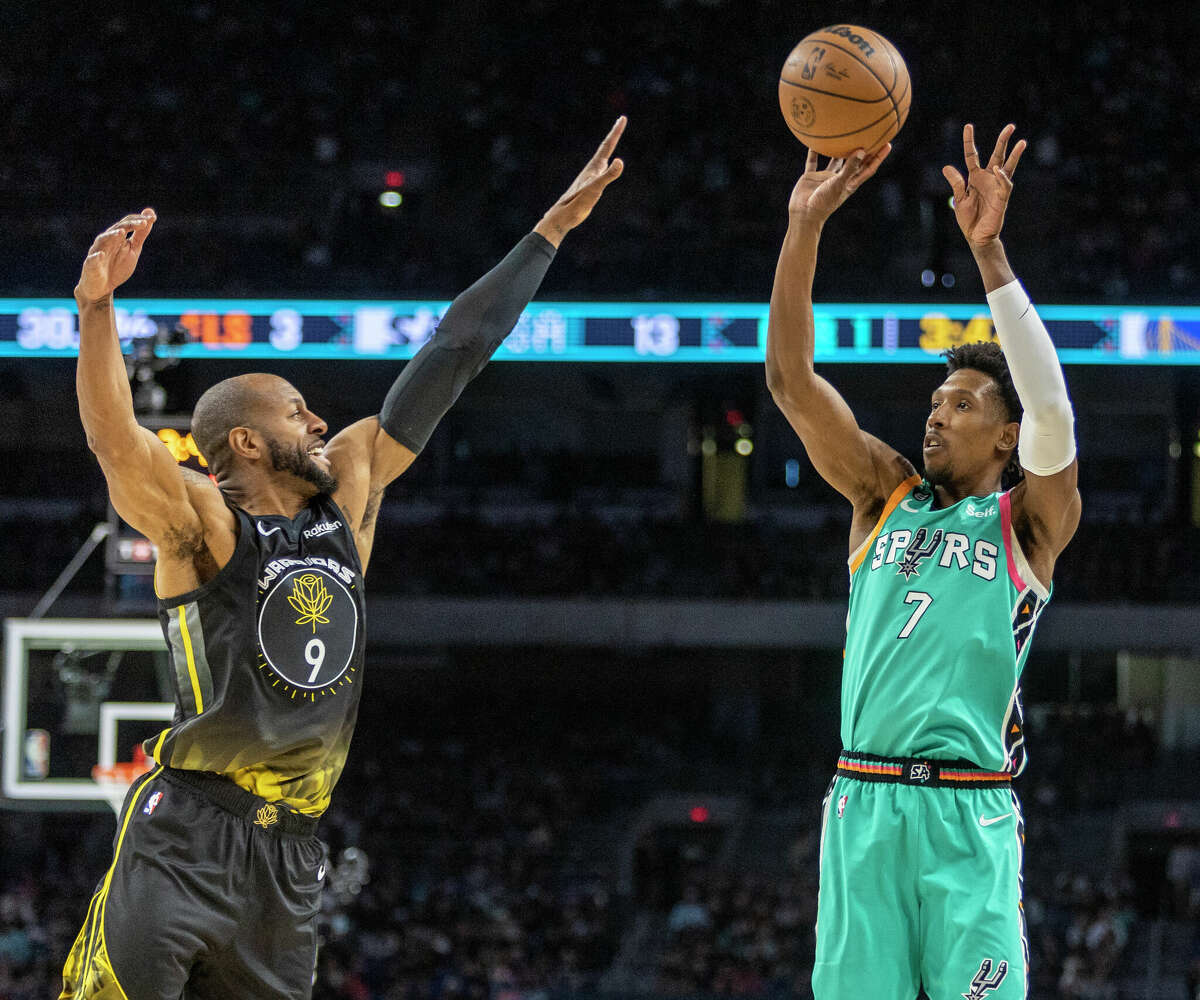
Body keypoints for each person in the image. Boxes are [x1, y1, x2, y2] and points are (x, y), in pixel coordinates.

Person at [61, 118, 626, 1000]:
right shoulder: (204, 522)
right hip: (185, 836)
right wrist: (96, 309)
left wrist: (548, 232)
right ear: (246, 441)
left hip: (290, 856)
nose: (321, 421)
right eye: (297, 412)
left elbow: (454, 351)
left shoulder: (352, 488)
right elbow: (114, 439)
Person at [765, 124, 1080, 999]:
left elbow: (1054, 412)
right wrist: (803, 227)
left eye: (963, 404)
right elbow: (790, 381)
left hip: (969, 813)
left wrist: (989, 254)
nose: (936, 414)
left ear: (1008, 437)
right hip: (862, 804)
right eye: (936, 401)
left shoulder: (1028, 524)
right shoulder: (883, 494)